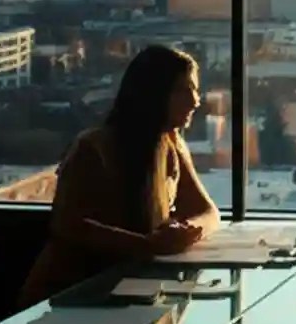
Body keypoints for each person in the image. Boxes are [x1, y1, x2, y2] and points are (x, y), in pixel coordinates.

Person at [20, 45, 220, 306]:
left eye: (195, 89)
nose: (195, 100)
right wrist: (148, 245)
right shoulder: (93, 148)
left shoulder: (172, 144)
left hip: (130, 291)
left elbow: (208, 212)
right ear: (153, 94)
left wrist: (188, 232)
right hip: (69, 296)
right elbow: (69, 226)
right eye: (183, 90)